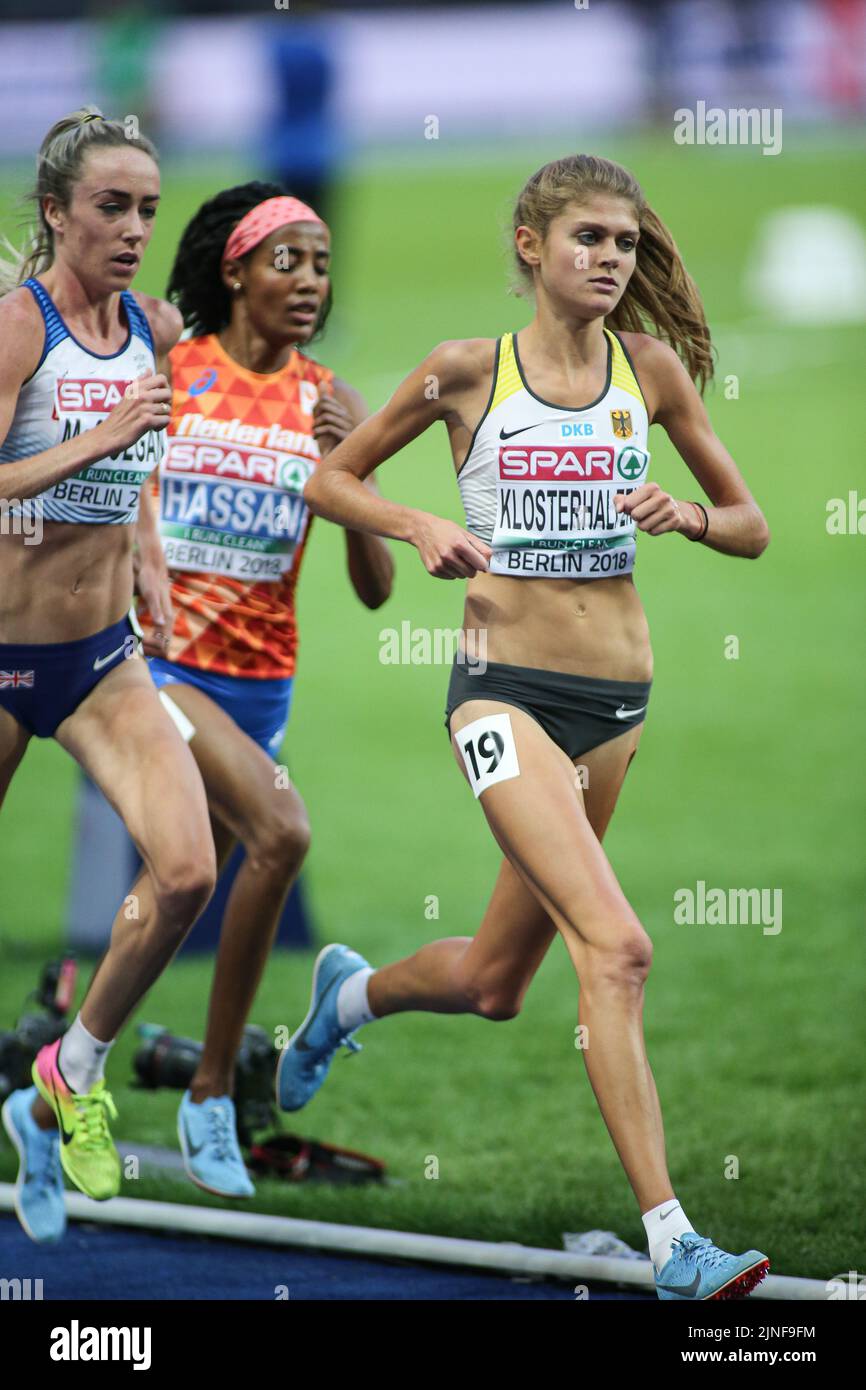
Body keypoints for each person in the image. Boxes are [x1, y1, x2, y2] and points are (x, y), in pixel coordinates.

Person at [277, 153, 771, 1302]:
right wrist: (414, 525)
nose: (609, 260)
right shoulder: (462, 373)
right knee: (620, 946)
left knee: (498, 983)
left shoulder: (646, 372)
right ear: (529, 245)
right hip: (500, 697)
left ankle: (347, 997)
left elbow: (750, 523)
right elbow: (327, 480)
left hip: (614, 711)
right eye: (588, 239)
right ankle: (672, 1243)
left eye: (626, 245)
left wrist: (685, 516)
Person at [131, 184, 393, 1198]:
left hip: (260, 692)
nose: (310, 283)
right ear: (233, 270)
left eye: (321, 265)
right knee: (282, 835)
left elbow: (375, 592)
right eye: (287, 261)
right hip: (155, 668)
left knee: (169, 895)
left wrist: (352, 462)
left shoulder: (322, 400)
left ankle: (65, 1067)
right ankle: (207, 1091)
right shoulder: (170, 373)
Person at [0, 107, 216, 1245]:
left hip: (98, 657)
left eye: (147, 209)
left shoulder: (156, 326)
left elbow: (140, 458)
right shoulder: (16, 326)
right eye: (111, 207)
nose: (135, 228)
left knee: (185, 870)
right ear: (56, 211)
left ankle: (67, 1073)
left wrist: (148, 545)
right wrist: (102, 436)